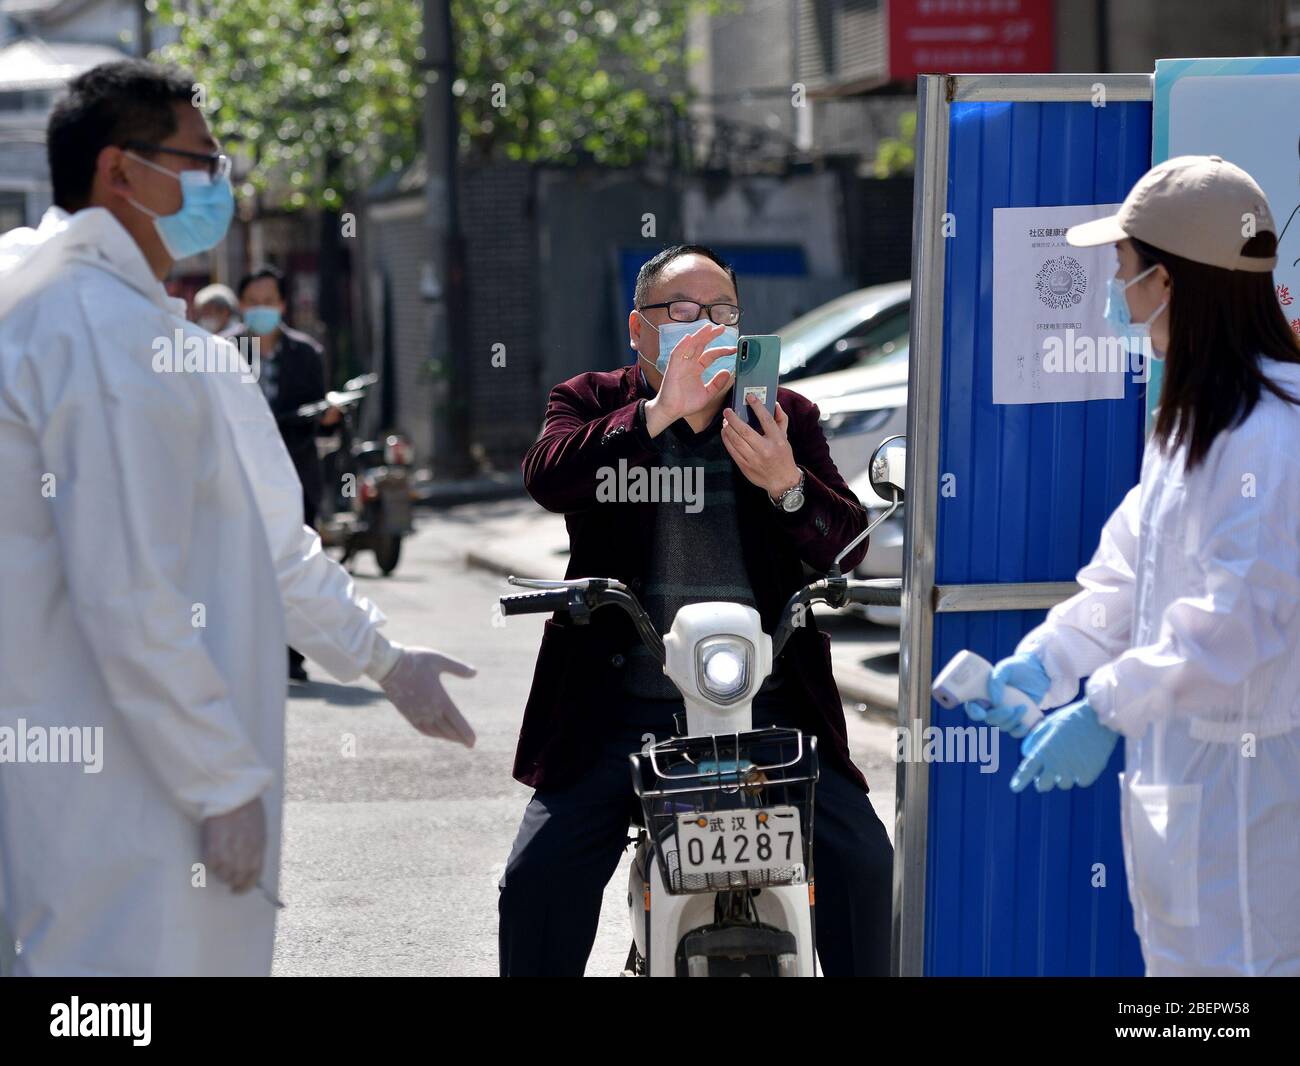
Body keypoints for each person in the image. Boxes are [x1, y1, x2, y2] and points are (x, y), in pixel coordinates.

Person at [0, 59, 476, 977]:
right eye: (201, 161)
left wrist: (382, 657)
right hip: (131, 789)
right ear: (120, 171)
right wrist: (220, 779)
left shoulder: (64, 313)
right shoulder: (110, 337)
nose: (218, 184)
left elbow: (272, 549)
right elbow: (127, 589)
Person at [497, 244, 894, 976]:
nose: (706, 325)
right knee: (536, 880)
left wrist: (788, 486)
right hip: (618, 710)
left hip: (770, 706)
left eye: (722, 312)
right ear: (639, 329)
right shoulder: (590, 400)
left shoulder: (782, 412)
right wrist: (656, 414)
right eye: (683, 311)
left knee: (865, 862)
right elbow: (549, 479)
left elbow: (844, 548)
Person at [968, 156, 1300, 976]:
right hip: (1175, 778)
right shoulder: (1190, 420)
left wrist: (1106, 707)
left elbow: (1241, 616)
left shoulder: (1274, 432)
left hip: (1249, 782)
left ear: (1170, 281)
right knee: (1178, 975)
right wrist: (1050, 662)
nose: (1118, 293)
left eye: (1123, 271)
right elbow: (1128, 574)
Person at [232, 264, 339, 681]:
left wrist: (329, 417)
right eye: (253, 302)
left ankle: (291, 655)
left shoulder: (306, 353)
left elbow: (321, 413)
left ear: (282, 305)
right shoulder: (220, 351)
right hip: (240, 476)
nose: (261, 309)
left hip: (296, 474)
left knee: (295, 565)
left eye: (268, 301)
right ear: (242, 305)